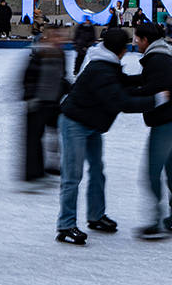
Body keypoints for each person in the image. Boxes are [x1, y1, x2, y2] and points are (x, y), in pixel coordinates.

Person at [55, 28, 162, 246]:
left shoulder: (106, 63)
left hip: (91, 124)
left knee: (97, 171)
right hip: (75, 123)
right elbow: (121, 102)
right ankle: (65, 225)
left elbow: (121, 83)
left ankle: (96, 216)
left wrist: (147, 79)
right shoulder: (101, 70)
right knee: (72, 176)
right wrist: (156, 100)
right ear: (121, 50)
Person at [129, 23, 172, 239]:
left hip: (166, 124)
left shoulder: (157, 60)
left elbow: (153, 90)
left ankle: (156, 220)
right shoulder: (160, 58)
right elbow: (149, 83)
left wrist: (124, 94)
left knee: (152, 172)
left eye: (137, 38)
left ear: (146, 39)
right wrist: (125, 81)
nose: (135, 42)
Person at [21, 25, 68, 188]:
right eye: (55, 36)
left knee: (55, 136)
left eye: (60, 37)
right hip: (37, 102)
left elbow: (62, 77)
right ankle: (33, 172)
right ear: (47, 38)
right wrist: (30, 98)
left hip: (54, 103)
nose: (59, 40)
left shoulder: (61, 55)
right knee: (34, 139)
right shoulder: (38, 54)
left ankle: (52, 165)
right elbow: (28, 78)